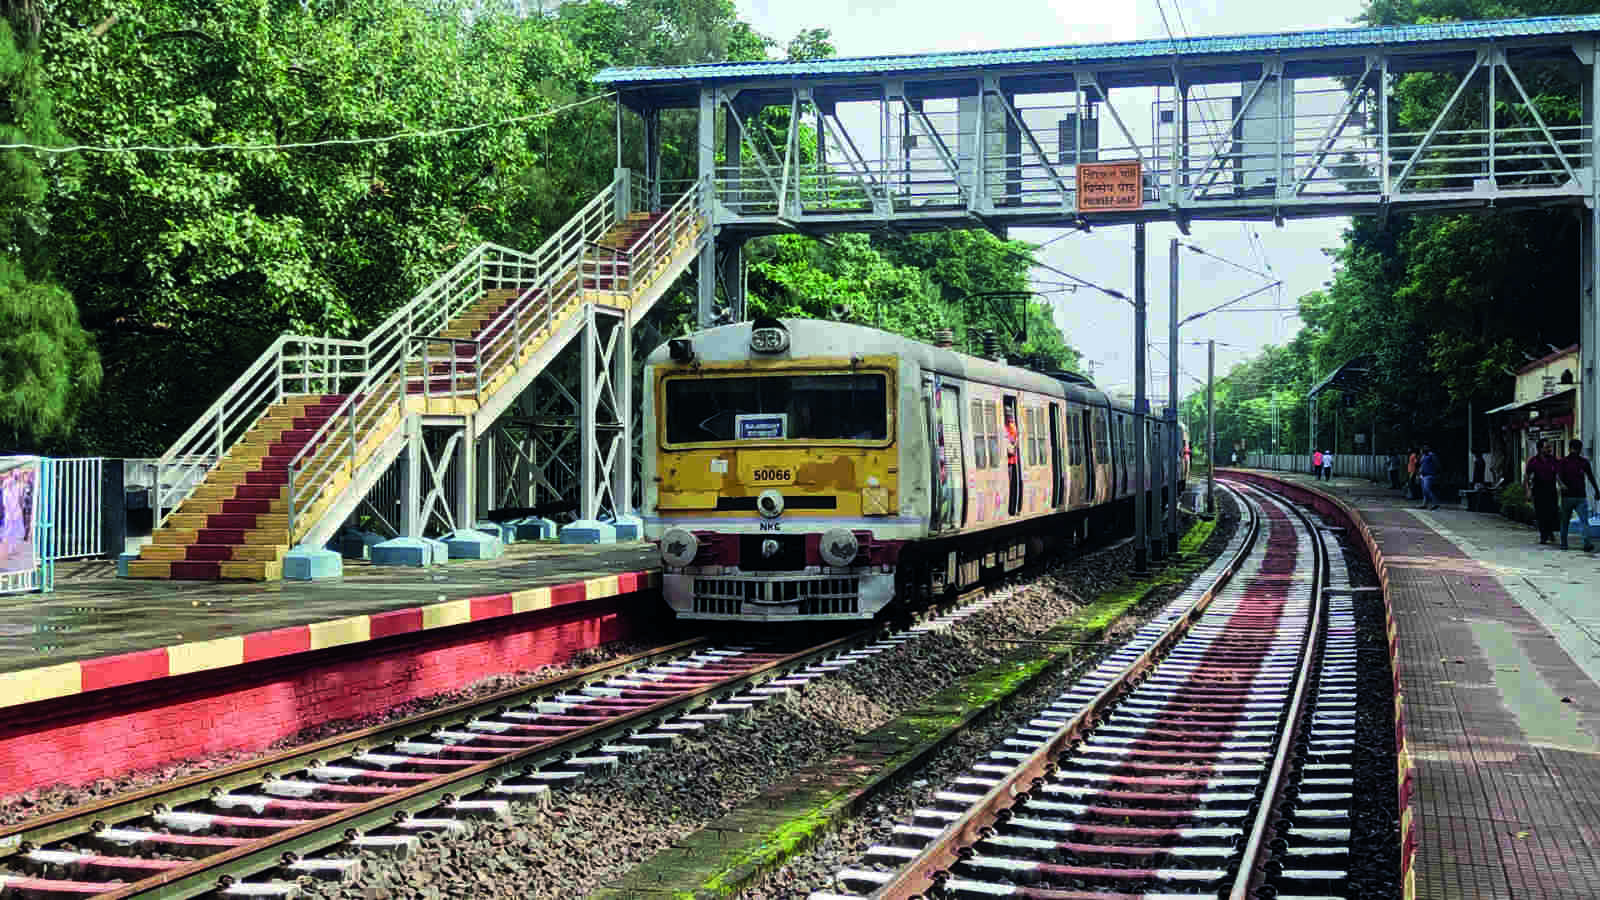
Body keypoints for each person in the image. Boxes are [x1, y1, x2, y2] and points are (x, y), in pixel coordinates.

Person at [1557, 439, 1600, 552]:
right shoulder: (1583, 462)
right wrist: (1597, 490)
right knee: (1584, 521)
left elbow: (1558, 476)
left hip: (1568, 496)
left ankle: (1564, 543)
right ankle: (1586, 543)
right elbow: (1591, 477)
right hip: (1579, 496)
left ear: (1569, 448)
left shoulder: (1563, 462)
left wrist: (1561, 485)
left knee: (1565, 521)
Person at [1525, 440, 1562, 545]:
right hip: (1539, 490)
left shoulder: (1553, 460)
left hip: (1551, 490)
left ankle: (1549, 531)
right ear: (1540, 449)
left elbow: (1557, 474)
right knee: (1541, 513)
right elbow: (1527, 476)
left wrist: (1561, 485)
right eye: (1546, 447)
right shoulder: (1533, 461)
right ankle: (1543, 535)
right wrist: (1527, 490)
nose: (1549, 449)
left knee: (1552, 512)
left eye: (1549, 447)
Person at [1418, 444, 1441, 510]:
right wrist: (1419, 473)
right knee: (1424, 491)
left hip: (1429, 475)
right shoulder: (1423, 456)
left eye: (1422, 450)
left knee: (1427, 489)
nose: (1421, 451)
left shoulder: (1431, 455)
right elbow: (1421, 465)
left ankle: (1435, 503)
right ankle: (1424, 504)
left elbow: (1437, 463)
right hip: (1422, 475)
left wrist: (1436, 471)